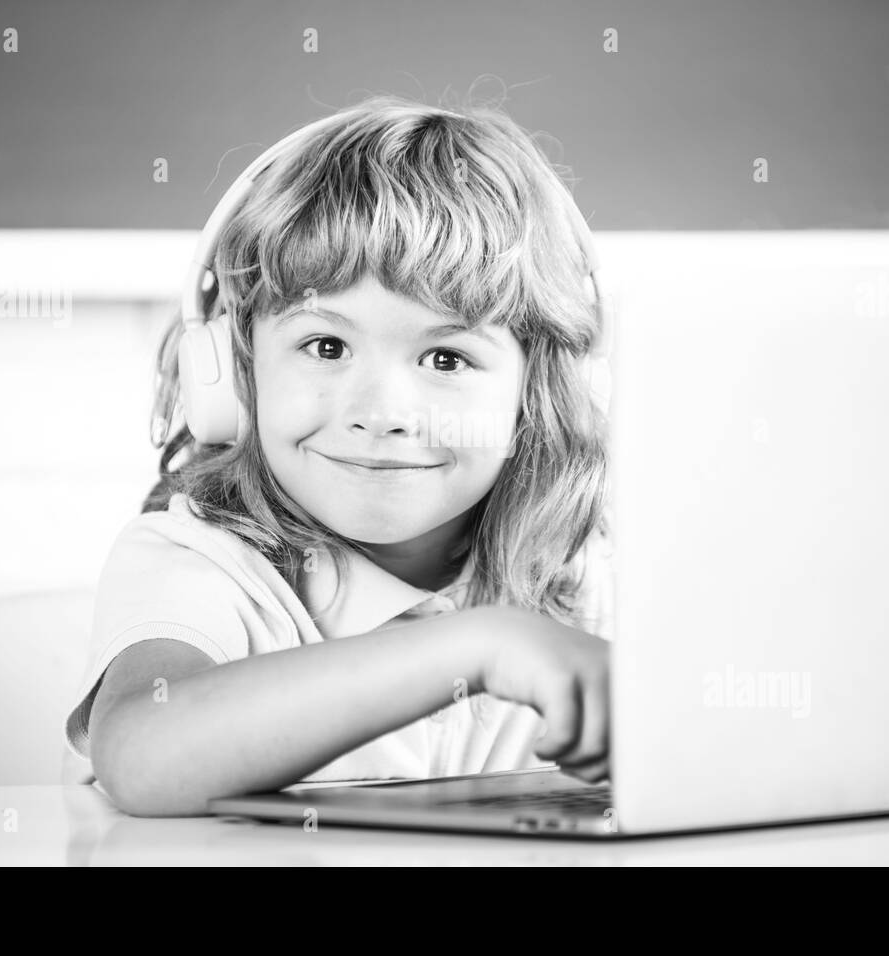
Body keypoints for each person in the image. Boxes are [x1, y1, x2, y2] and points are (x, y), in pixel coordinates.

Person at [62, 94, 614, 817]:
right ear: (233, 374)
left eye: (447, 357)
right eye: (326, 346)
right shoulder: (199, 565)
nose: (381, 415)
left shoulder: (588, 578)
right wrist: (476, 647)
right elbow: (142, 755)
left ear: (534, 395)